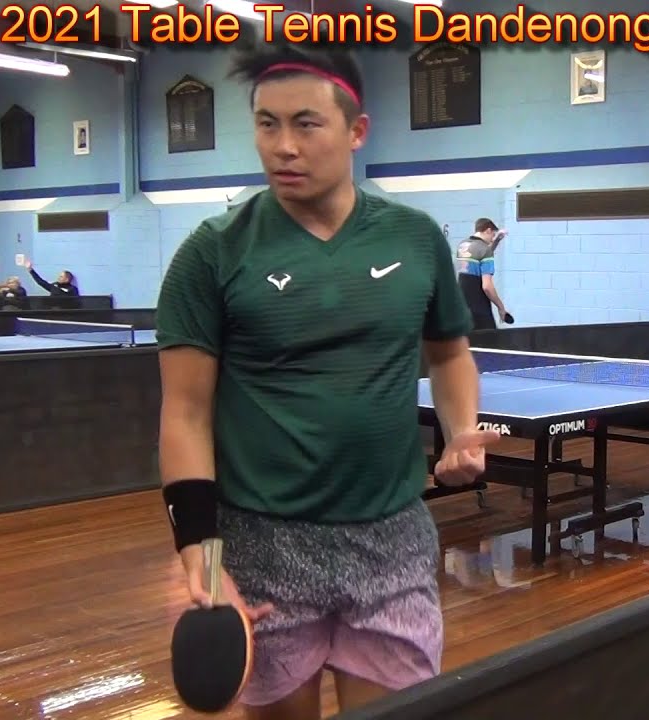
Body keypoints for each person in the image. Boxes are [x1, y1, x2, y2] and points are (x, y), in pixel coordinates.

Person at [154, 41, 498, 720]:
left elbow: (450, 353)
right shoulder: (211, 253)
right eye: (266, 123)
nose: (283, 146)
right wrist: (198, 547)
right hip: (261, 542)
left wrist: (461, 431)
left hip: (392, 538)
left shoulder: (414, 237)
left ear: (355, 130)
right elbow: (186, 414)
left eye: (305, 124)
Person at [455, 218, 511, 331]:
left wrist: (496, 241)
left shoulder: (463, 245)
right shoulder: (485, 250)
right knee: (490, 342)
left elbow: (481, 253)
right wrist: (501, 307)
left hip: (461, 305)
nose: (492, 239)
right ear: (488, 230)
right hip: (478, 306)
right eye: (492, 235)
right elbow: (487, 287)